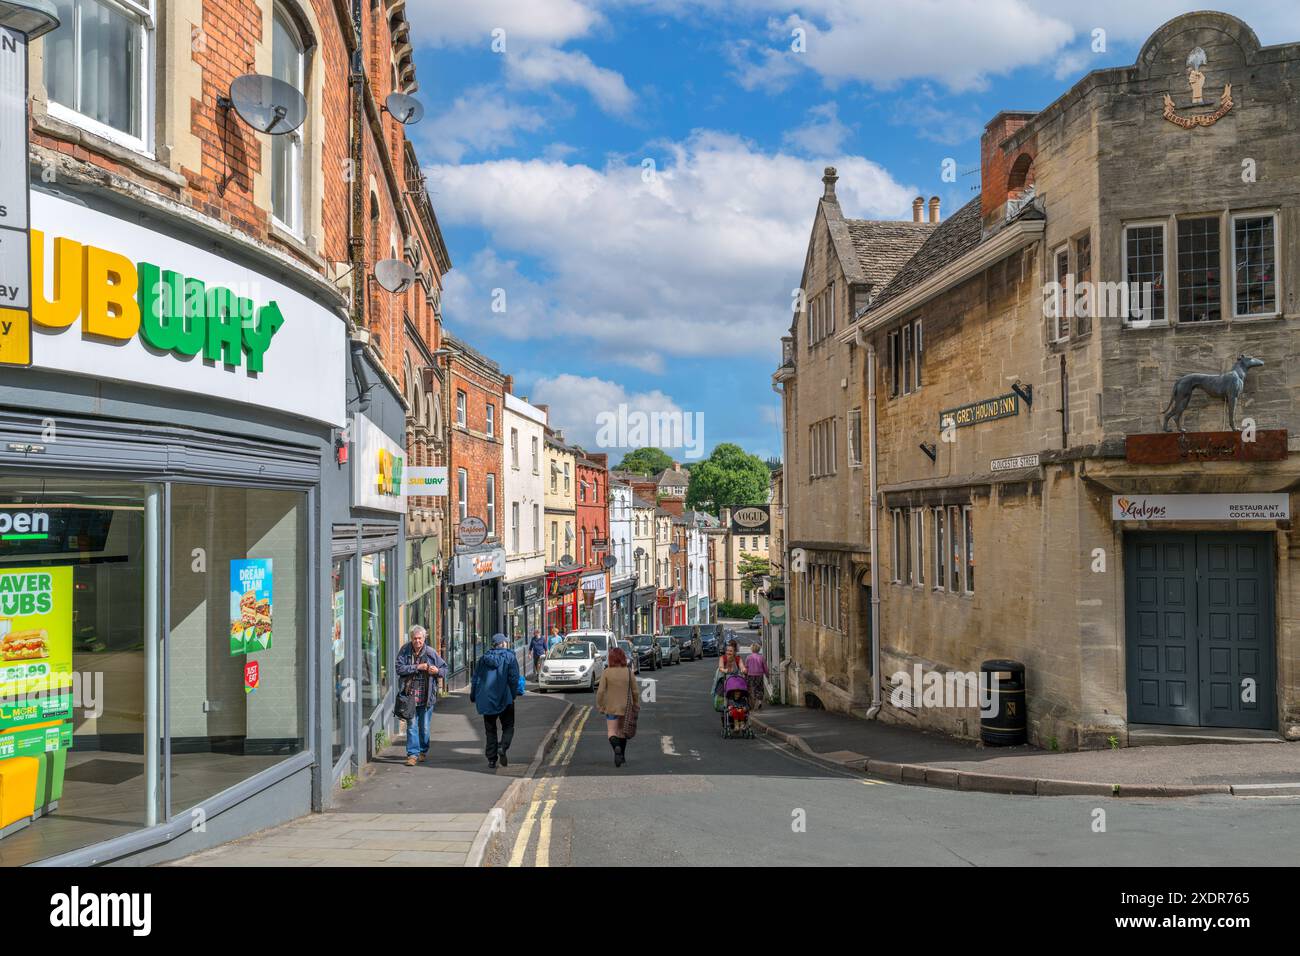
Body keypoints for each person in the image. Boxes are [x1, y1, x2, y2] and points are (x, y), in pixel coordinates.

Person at [395, 625, 447, 767]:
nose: (417, 641)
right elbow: (399, 668)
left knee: (424, 727)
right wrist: (417, 667)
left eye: (420, 638)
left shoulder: (430, 653)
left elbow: (444, 669)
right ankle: (412, 754)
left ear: (424, 639)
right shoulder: (405, 651)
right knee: (411, 726)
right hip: (410, 697)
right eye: (415, 638)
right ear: (411, 639)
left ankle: (423, 750)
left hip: (426, 696)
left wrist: (436, 671)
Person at [471, 634, 522, 769]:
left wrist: (473, 695)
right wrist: (513, 694)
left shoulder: (483, 659)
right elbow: (513, 678)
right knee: (508, 727)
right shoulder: (510, 657)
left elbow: (476, 678)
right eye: (506, 642)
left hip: (487, 699)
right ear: (503, 644)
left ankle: (492, 760)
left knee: (490, 731)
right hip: (505, 699)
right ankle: (503, 747)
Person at [595, 647, 638, 767]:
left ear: (611, 658)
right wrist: (636, 704)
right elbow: (635, 691)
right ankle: (622, 756)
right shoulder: (629, 672)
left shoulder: (607, 672)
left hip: (611, 707)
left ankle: (616, 748)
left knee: (612, 732)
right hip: (626, 707)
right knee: (622, 733)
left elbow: (601, 691)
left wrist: (600, 705)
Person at [745, 642, 769, 710]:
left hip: (750, 675)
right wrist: (767, 675)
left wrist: (745, 675)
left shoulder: (748, 657)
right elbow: (765, 667)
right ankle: (760, 702)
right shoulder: (761, 657)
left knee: (752, 689)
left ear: (751, 649)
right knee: (760, 688)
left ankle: (753, 703)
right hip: (759, 675)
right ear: (759, 649)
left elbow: (746, 667)